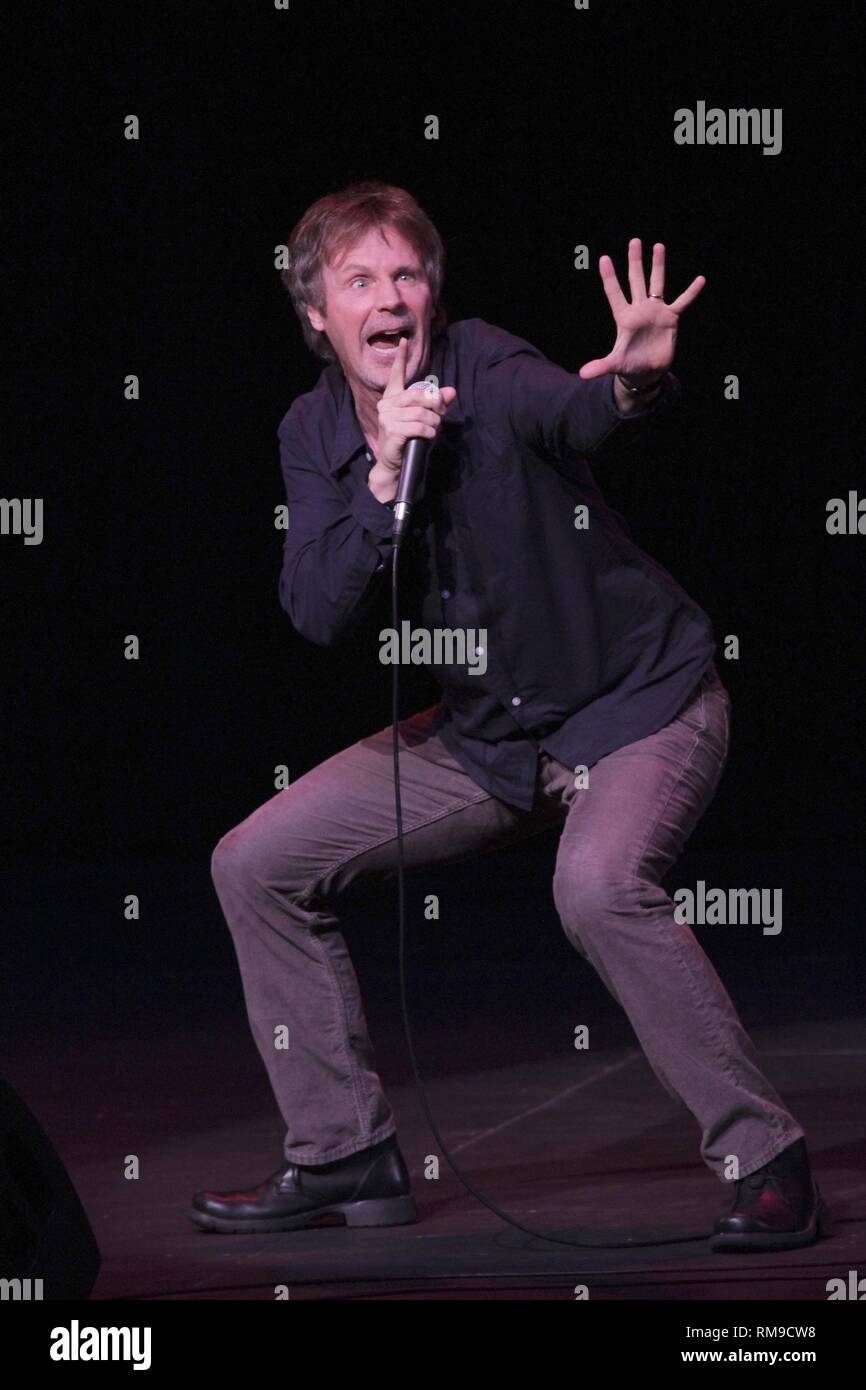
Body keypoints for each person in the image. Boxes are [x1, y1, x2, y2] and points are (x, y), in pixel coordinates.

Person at [189, 181, 828, 1253]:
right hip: (487, 741)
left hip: (640, 707)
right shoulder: (314, 432)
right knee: (253, 862)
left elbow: (568, 406)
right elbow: (314, 608)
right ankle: (343, 1149)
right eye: (359, 281)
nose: (389, 297)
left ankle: (767, 1160)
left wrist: (626, 385)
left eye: (406, 274)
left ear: (430, 295)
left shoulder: (480, 361)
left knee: (594, 885)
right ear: (316, 315)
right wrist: (382, 472)